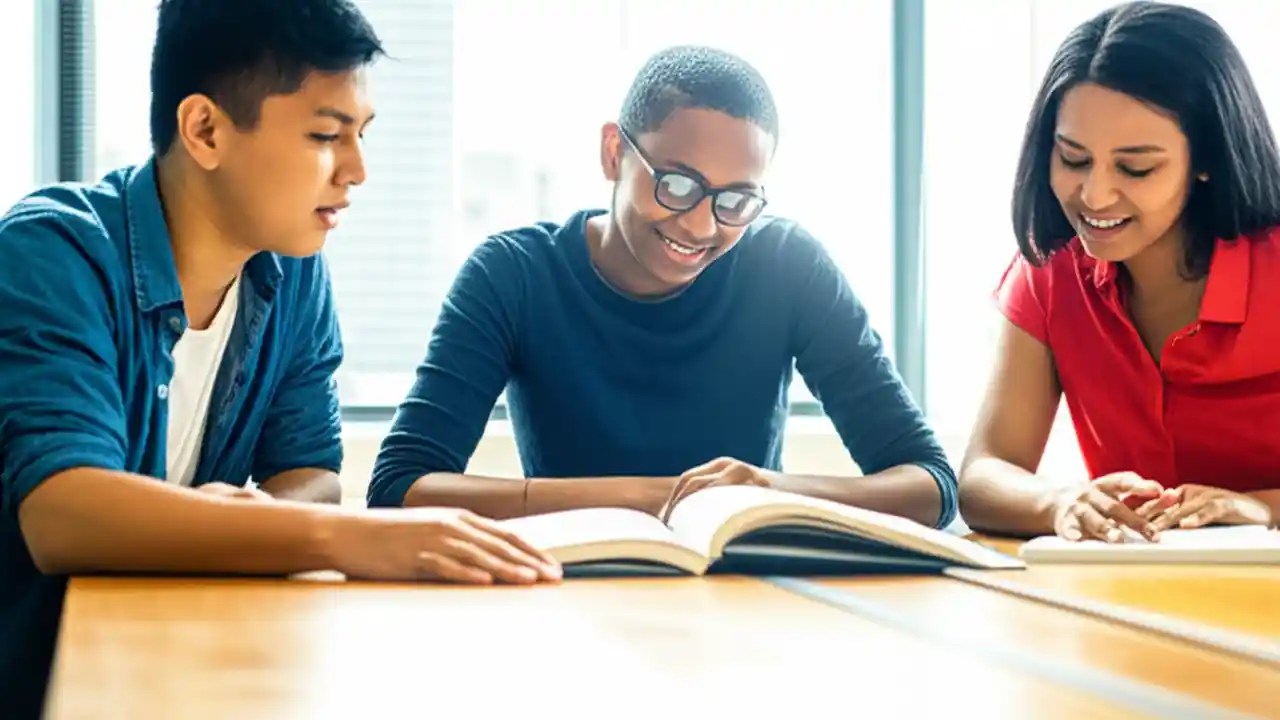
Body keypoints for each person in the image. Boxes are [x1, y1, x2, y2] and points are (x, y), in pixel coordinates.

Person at [0, 1, 558, 715]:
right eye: (326, 135)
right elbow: (63, 514)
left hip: (165, 665)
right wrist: (357, 540)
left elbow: (312, 472)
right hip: (39, 677)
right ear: (205, 129)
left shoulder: (292, 269)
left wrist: (258, 519)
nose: (356, 170)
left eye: (362, 135)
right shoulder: (56, 253)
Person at [369, 45, 957, 530]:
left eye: (736, 201)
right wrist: (659, 495)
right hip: (566, 599)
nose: (701, 225)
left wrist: (770, 490)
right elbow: (400, 486)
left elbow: (930, 483)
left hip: (745, 603)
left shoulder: (786, 265)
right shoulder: (513, 274)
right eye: (677, 185)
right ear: (613, 152)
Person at [958, 1, 1280, 542]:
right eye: (1073, 158)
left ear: (1206, 159)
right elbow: (984, 474)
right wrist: (1057, 501)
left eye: (1136, 167)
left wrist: (1264, 509)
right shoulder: (1051, 272)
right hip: (1131, 589)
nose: (1094, 195)